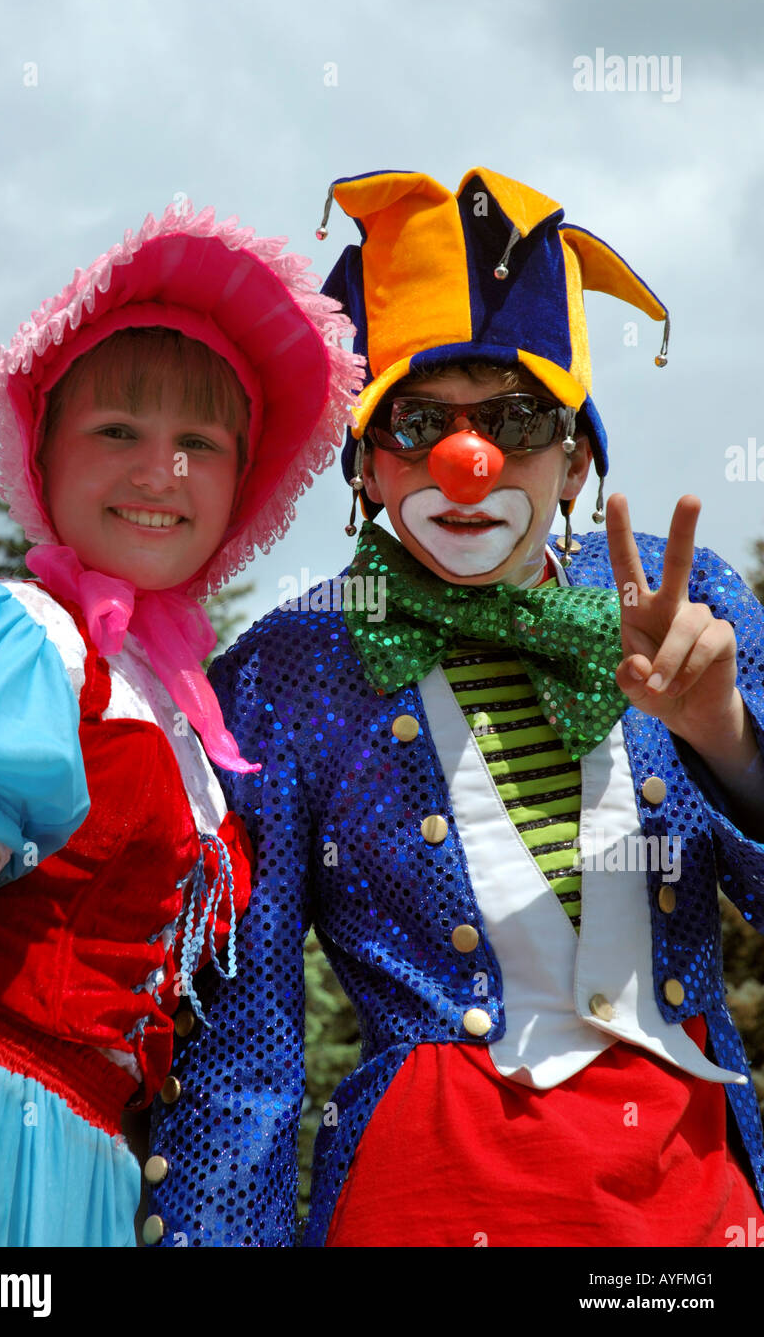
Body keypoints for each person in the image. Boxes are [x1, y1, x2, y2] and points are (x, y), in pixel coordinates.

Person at [148, 166, 764, 1248]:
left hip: (691, 1194)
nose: (467, 463)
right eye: (419, 419)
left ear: (575, 456)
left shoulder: (689, 599)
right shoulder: (288, 669)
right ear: (366, 469)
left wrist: (726, 740)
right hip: (429, 1195)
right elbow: (241, 1052)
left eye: (517, 418)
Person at [0, 200, 362, 1247]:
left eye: (200, 442)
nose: (162, 474)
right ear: (43, 447)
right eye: (119, 430)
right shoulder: (19, 636)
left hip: (89, 1178)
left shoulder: (187, 717)